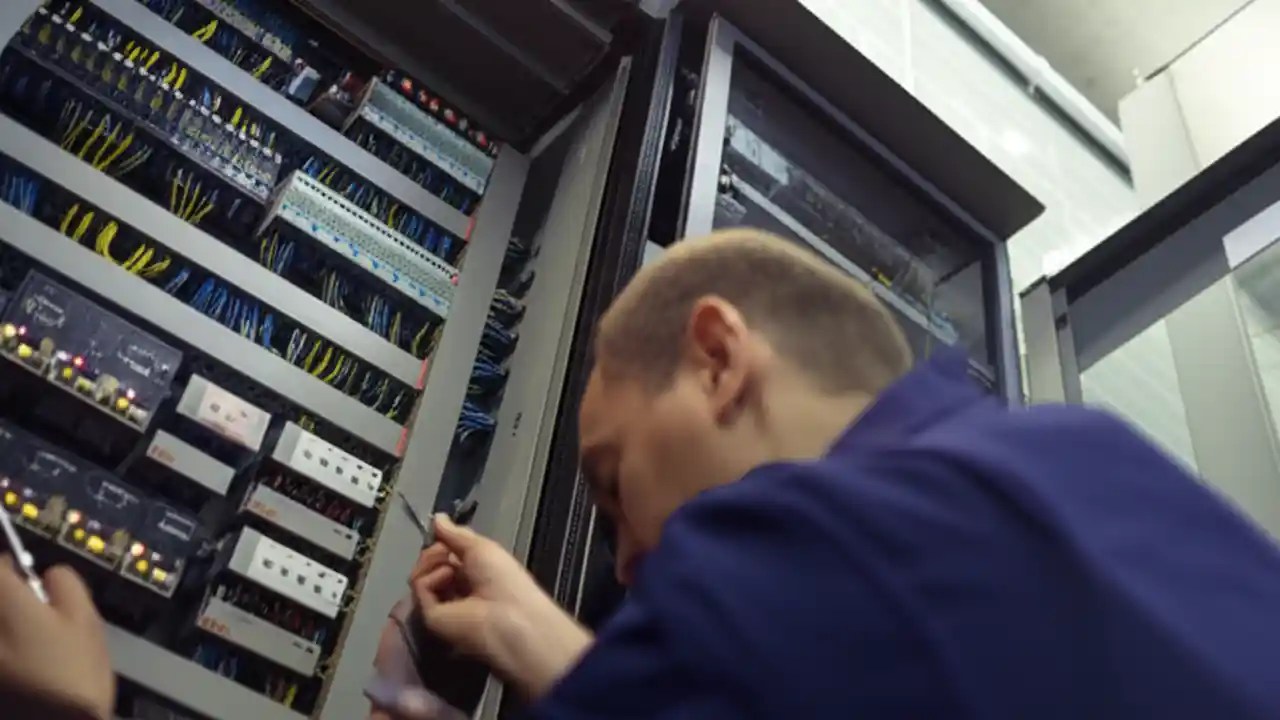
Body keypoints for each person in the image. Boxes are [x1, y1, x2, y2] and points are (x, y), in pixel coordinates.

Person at [4, 228, 1280, 719]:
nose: (623, 560)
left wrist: (80, 713)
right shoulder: (1079, 466)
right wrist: (542, 640)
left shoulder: (814, 534)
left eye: (611, 484)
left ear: (718, 357)